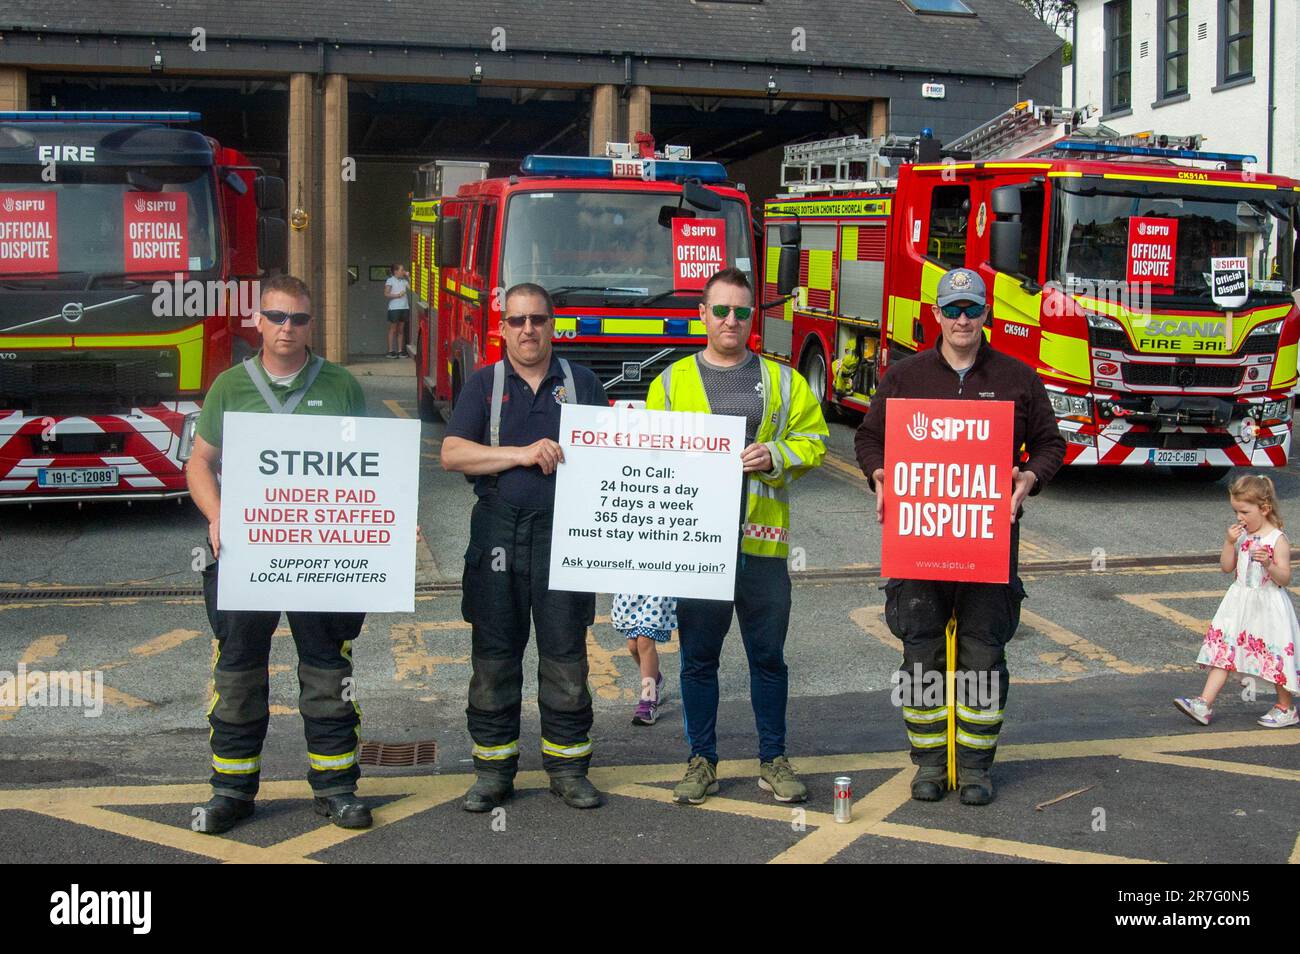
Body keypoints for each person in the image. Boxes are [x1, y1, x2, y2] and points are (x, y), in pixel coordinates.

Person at [855, 267, 1065, 806]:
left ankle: (974, 768)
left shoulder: (1019, 378)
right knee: (920, 659)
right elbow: (869, 438)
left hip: (988, 548)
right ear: (936, 315)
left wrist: (1030, 478)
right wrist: (878, 474)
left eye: (972, 308)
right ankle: (927, 764)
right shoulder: (905, 377)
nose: (962, 319)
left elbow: (1050, 444)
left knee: (982, 660)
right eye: (953, 310)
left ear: (987, 314)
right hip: (919, 546)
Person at [185, 273, 372, 834]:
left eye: (299, 318)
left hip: (321, 556)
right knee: (238, 673)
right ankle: (232, 791)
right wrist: (218, 516)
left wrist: (383, 526)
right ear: (258, 322)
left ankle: (337, 787)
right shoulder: (229, 387)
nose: (288, 328)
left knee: (326, 669)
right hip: (244, 555)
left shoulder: (340, 385)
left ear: (311, 323)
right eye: (277, 317)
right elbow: (199, 463)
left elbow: (368, 466)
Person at [646, 267, 829, 806]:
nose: (731, 320)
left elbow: (815, 438)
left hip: (763, 546)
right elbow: (646, 457)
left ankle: (773, 758)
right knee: (699, 660)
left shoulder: (781, 380)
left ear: (753, 317)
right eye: (720, 310)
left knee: (768, 658)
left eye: (741, 311)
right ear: (701, 315)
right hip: (697, 547)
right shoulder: (671, 382)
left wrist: (776, 454)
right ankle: (701, 760)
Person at [440, 282, 610, 811]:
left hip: (566, 533)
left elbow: (616, 461)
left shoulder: (582, 383)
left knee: (566, 656)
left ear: (553, 324)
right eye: (517, 321)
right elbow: (451, 453)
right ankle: (493, 774)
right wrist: (519, 454)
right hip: (497, 531)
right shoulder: (485, 384)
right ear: (503, 327)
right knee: (494, 657)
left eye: (537, 319)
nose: (528, 329)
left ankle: (568, 769)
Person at [1175, 475, 1298, 728]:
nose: (1239, 517)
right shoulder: (1241, 537)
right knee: (1224, 650)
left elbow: (1284, 578)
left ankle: (1286, 707)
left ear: (1264, 509)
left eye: (1244, 511)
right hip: (1238, 601)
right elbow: (1226, 566)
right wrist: (1229, 543)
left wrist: (1268, 563)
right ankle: (1203, 703)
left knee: (1273, 655)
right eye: (1236, 511)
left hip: (1268, 605)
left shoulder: (1277, 540)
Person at [612, 594, 676, 725]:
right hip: (631, 592)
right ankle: (655, 679)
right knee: (633, 646)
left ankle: (648, 700)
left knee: (644, 641)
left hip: (656, 589)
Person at [384, 263, 411, 358]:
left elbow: (413, 288)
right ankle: (390, 351)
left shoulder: (404, 281)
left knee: (401, 329)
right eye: (402, 270)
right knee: (393, 329)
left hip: (404, 307)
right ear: (396, 271)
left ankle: (400, 351)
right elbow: (386, 294)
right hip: (394, 308)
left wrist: (408, 277)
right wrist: (397, 295)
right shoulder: (390, 280)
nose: (403, 272)